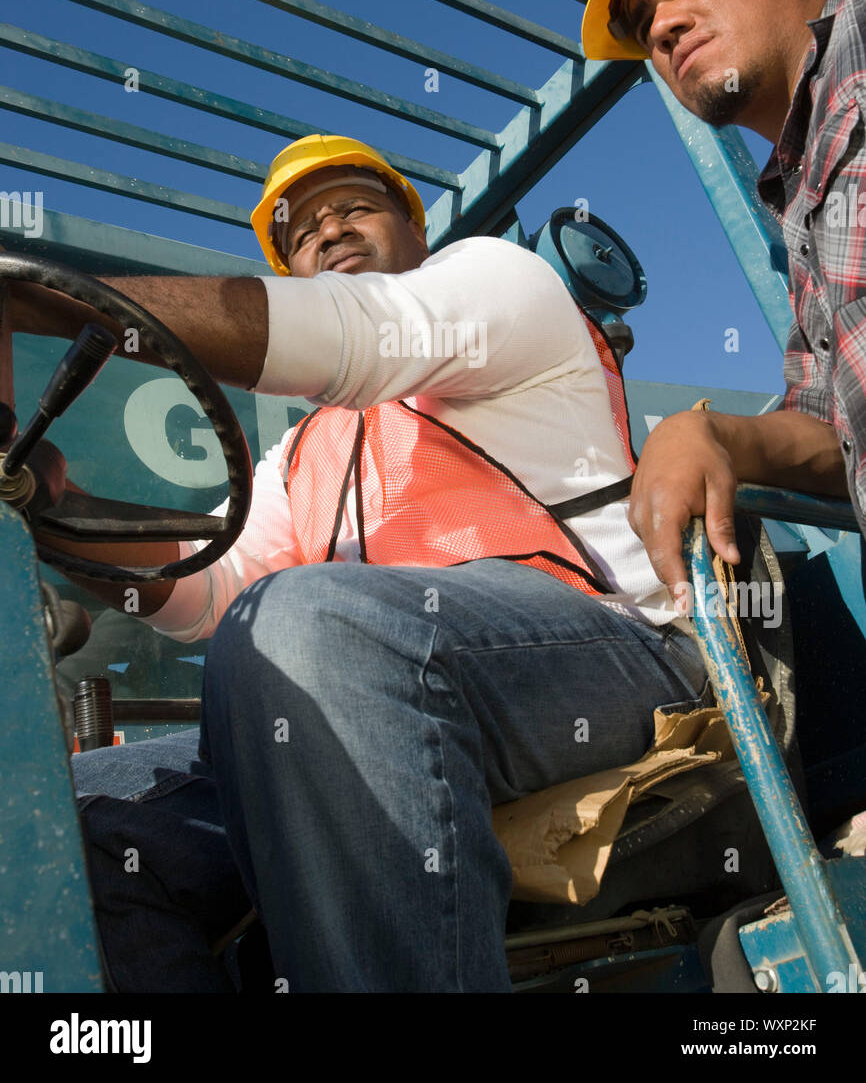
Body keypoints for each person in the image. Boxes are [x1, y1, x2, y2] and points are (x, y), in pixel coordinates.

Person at [15, 133, 706, 992]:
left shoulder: (498, 284)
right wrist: (55, 504)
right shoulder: (303, 453)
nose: (329, 232)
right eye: (303, 233)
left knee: (313, 624)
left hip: (606, 654)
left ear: (414, 233)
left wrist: (35, 300)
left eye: (354, 207)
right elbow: (203, 590)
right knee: (68, 807)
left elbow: (361, 335)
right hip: (374, 680)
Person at [580, 0, 862, 605]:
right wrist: (711, 434)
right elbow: (832, 434)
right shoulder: (798, 219)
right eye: (645, 25)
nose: (664, 26)